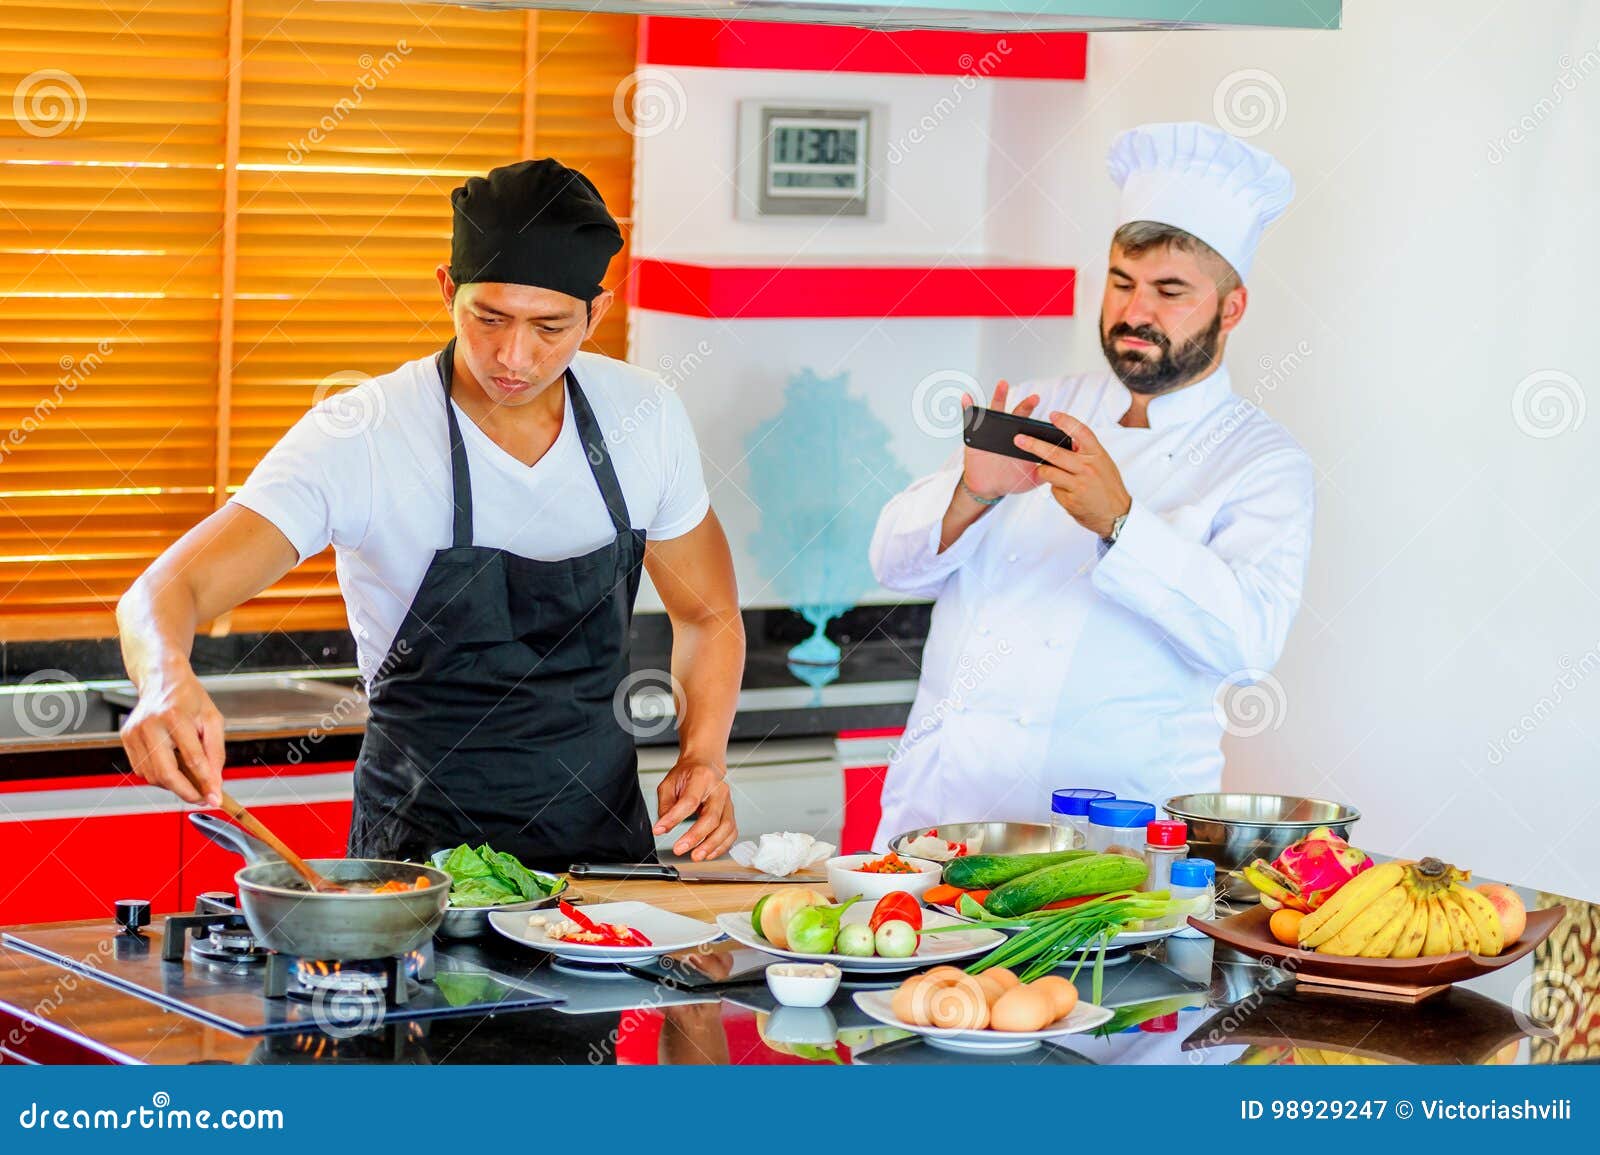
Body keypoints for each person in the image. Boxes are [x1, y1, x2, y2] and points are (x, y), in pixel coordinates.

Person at [118, 159, 744, 867]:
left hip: (602, 871)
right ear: (448, 290)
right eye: (490, 317)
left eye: (550, 326)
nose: (514, 355)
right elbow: (165, 591)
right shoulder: (363, 433)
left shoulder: (645, 416)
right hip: (416, 876)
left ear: (595, 313)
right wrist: (166, 677)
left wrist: (703, 756)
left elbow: (709, 612)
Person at [870, 123, 1314, 844]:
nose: (1135, 313)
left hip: (1110, 853)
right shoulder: (1040, 405)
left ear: (1231, 308)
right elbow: (891, 565)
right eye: (1121, 283)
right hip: (938, 829)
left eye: (1170, 291)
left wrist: (1123, 523)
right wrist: (972, 495)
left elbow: (1247, 643)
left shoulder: (1262, 461)